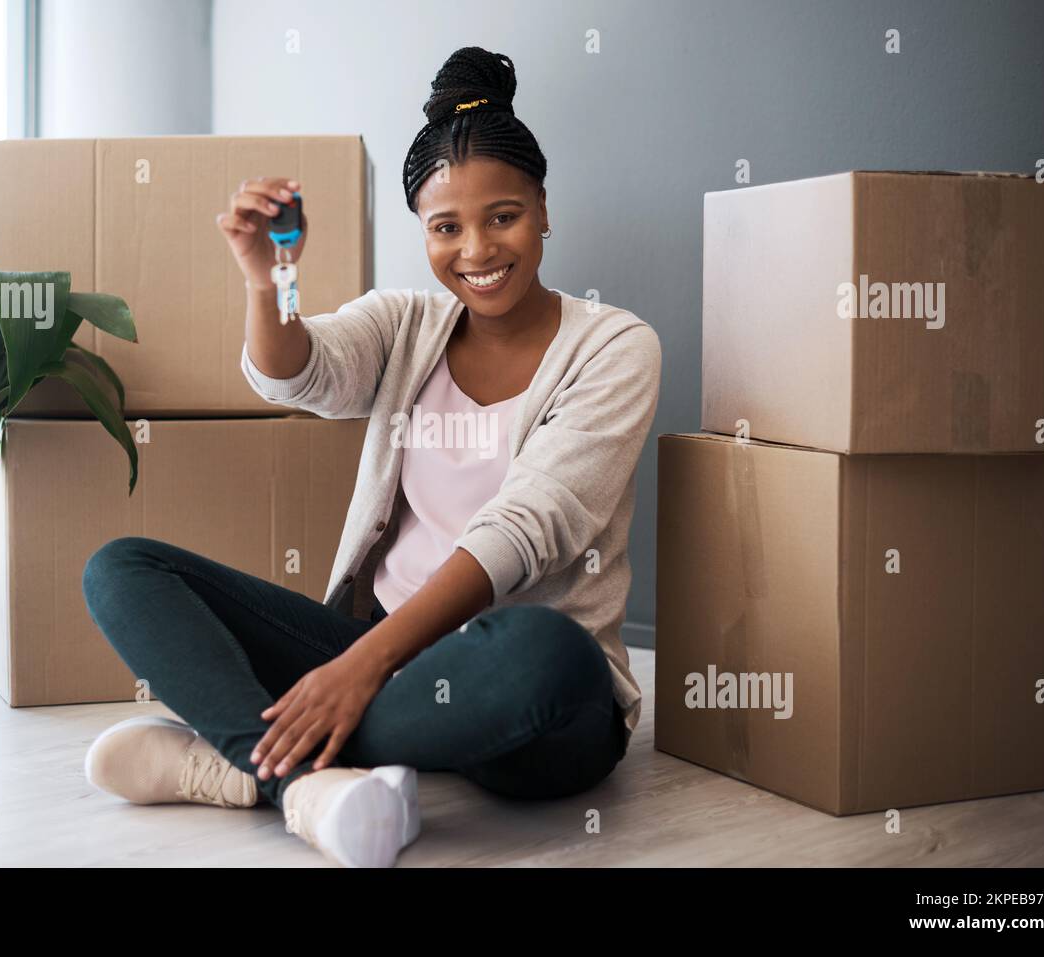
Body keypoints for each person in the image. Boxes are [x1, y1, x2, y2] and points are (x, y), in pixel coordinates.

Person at [80, 46, 662, 868]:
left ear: (543, 208)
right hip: (377, 650)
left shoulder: (616, 346)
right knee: (122, 567)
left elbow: (528, 527)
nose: (477, 250)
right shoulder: (406, 326)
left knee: (550, 656)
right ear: (422, 230)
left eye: (504, 216)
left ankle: (240, 749)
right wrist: (271, 279)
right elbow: (298, 373)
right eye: (445, 226)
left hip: (517, 687)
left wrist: (359, 669)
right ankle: (295, 784)